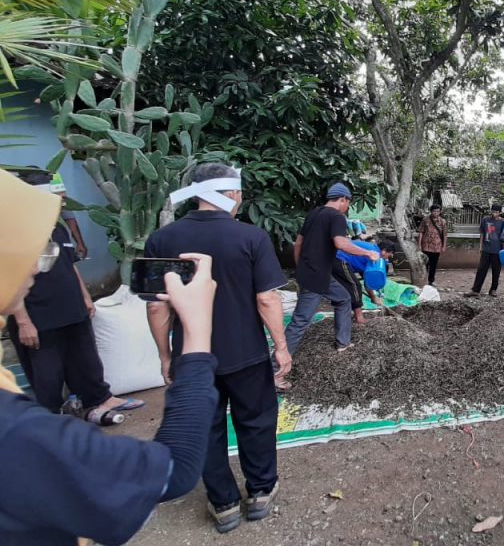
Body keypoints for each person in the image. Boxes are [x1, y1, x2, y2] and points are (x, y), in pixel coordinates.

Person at [0, 168, 221, 546]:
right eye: (33, 253)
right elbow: (175, 471)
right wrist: (197, 334)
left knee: (84, 362)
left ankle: (95, 401)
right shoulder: (14, 432)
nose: (39, 267)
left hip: (69, 315)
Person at [145, 163, 292, 533]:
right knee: (256, 421)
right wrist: (281, 347)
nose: (241, 199)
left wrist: (166, 355)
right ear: (229, 194)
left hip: (193, 359)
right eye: (239, 192)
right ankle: (260, 492)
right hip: (246, 355)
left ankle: (223, 502)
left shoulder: (162, 239)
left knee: (205, 427)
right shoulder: (251, 237)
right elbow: (267, 300)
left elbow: (156, 305)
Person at [7, 172, 142, 421]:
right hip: (38, 316)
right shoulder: (13, 232)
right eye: (57, 194)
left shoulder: (56, 228)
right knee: (47, 372)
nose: (63, 199)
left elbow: (70, 265)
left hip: (71, 308)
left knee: (86, 359)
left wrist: (85, 297)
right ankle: (50, 418)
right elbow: (8, 281)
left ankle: (99, 399)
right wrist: (23, 321)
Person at [286, 183, 379, 359]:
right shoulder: (336, 217)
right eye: (348, 203)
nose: (347, 207)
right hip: (315, 277)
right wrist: (368, 253)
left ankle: (343, 343)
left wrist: (301, 268)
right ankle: (276, 369)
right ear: (343, 199)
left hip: (316, 273)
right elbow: (341, 243)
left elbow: (298, 243)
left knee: (343, 299)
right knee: (300, 321)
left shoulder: (313, 214)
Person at [333, 240, 396, 322]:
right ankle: (359, 318)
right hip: (339, 259)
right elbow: (369, 280)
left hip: (335, 258)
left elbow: (367, 280)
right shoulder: (374, 255)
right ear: (384, 251)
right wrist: (373, 297)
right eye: (391, 253)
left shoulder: (372, 251)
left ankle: (346, 316)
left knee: (346, 289)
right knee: (355, 286)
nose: (391, 256)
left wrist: (373, 297)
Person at [466, 203, 504, 297]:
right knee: (481, 270)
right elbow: (482, 234)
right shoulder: (485, 220)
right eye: (493, 211)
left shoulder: (503, 222)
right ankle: (475, 290)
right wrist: (480, 246)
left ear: (499, 212)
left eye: (496, 212)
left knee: (496, 271)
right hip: (486, 249)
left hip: (497, 251)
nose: (494, 213)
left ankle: (493, 290)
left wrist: (503, 250)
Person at [418, 203, 447, 286]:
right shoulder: (425, 220)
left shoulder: (442, 221)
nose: (436, 213)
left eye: (438, 211)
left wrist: (444, 246)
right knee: (424, 264)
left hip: (437, 247)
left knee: (433, 265)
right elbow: (421, 232)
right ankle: (423, 281)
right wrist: (419, 245)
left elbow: (445, 234)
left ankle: (431, 280)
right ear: (431, 211)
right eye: (434, 211)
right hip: (426, 246)